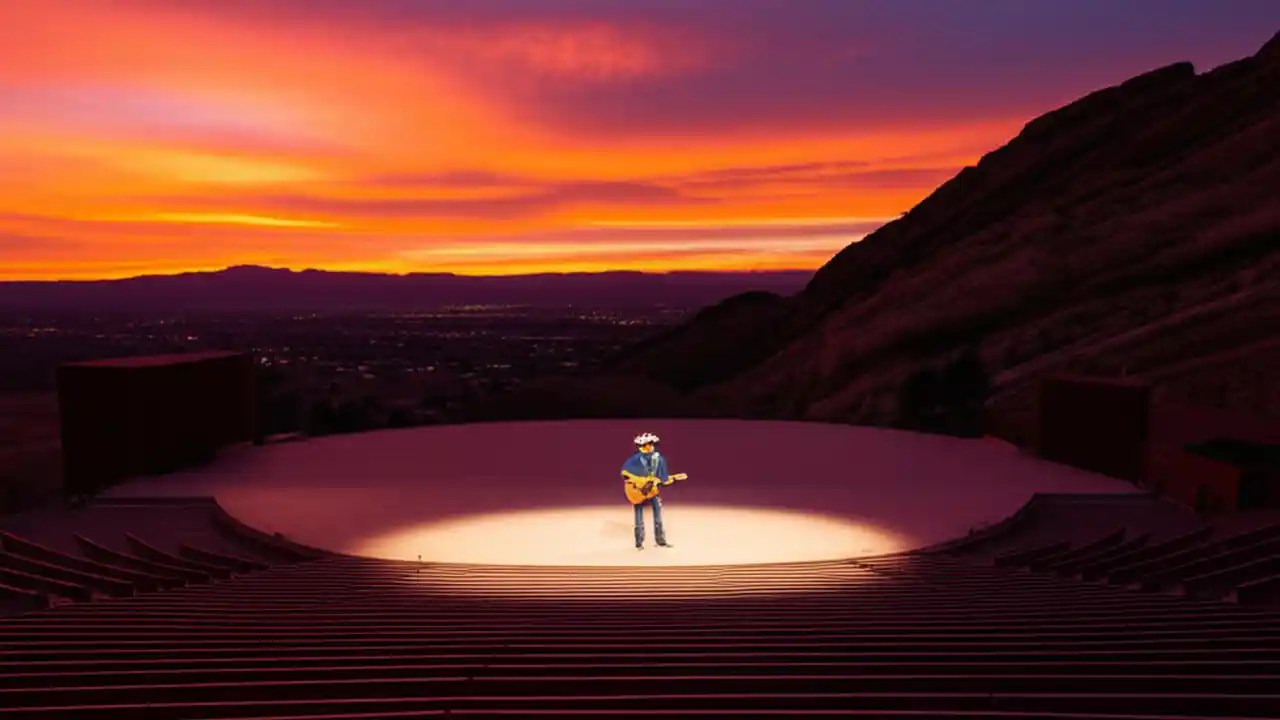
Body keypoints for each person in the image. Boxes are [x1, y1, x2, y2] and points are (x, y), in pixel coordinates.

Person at [621, 432, 675, 550]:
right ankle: (639, 542)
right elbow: (625, 473)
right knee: (638, 515)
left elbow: (663, 478)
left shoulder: (658, 459)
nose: (649, 446)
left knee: (658, 514)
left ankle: (660, 540)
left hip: (652, 491)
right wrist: (639, 482)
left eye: (650, 444)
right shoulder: (635, 459)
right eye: (646, 444)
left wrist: (667, 480)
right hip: (637, 492)